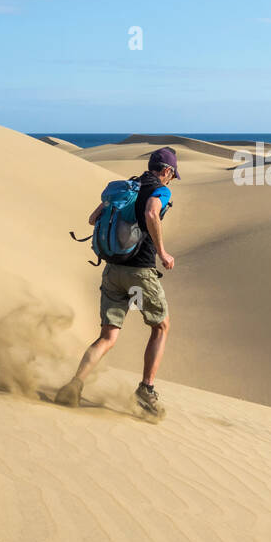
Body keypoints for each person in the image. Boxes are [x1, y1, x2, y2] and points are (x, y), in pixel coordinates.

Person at [56, 147, 178, 415]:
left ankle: (75, 385)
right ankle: (146, 390)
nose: (170, 180)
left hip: (113, 271)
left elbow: (92, 219)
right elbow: (150, 213)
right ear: (167, 171)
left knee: (108, 336)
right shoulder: (161, 190)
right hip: (139, 272)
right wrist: (162, 252)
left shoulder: (128, 185)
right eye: (172, 175)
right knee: (161, 327)